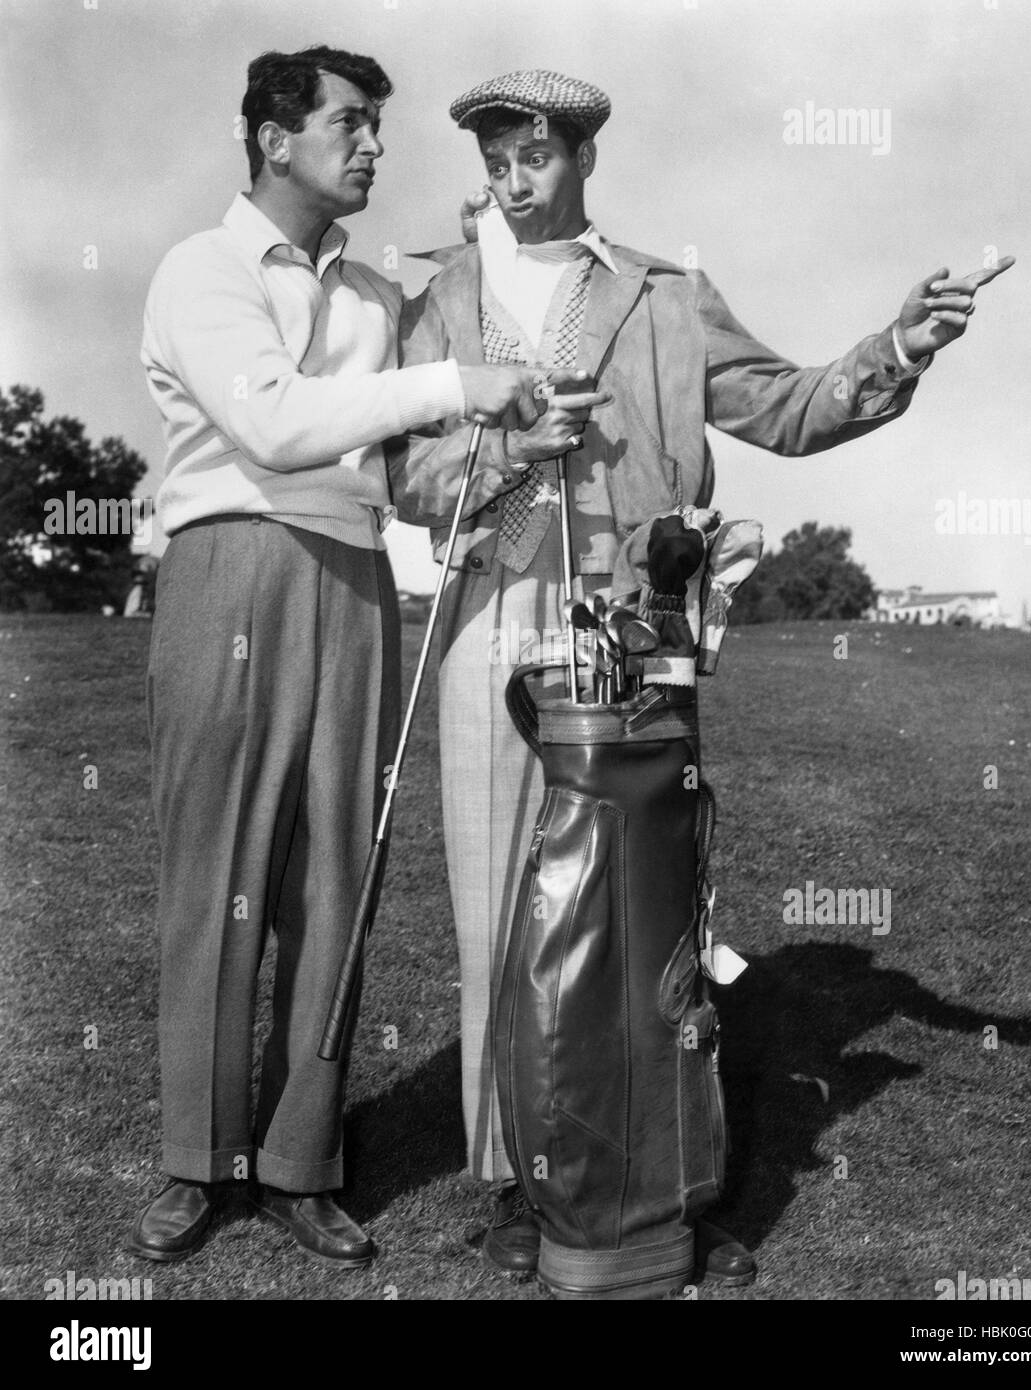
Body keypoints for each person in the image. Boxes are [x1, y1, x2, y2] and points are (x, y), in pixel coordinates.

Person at [389, 68, 1013, 1280]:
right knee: (504, 918)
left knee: (648, 920)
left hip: (639, 631)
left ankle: (656, 1180)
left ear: (583, 157)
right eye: (493, 159)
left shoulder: (663, 297)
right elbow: (406, 479)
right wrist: (514, 443)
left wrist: (897, 345)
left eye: (535, 156)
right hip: (491, 620)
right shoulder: (441, 298)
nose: (511, 182)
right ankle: (522, 1181)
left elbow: (784, 409)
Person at [129, 45, 545, 1271]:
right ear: (272, 136)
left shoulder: (375, 293)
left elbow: (416, 454)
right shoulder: (199, 269)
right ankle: (199, 1159)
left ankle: (303, 1162)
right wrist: (450, 381)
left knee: (336, 884)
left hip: (356, 581)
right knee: (219, 871)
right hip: (229, 567)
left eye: (377, 127)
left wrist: (479, 396)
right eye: (350, 123)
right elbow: (269, 420)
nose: (371, 146)